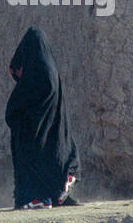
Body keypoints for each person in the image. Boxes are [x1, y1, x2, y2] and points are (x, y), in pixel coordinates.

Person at [5, 26, 80, 210]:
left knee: (30, 155)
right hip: (55, 133)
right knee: (57, 154)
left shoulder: (33, 77)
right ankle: (59, 192)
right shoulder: (51, 71)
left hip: (33, 133)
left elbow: (12, 111)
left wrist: (15, 116)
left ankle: (36, 199)